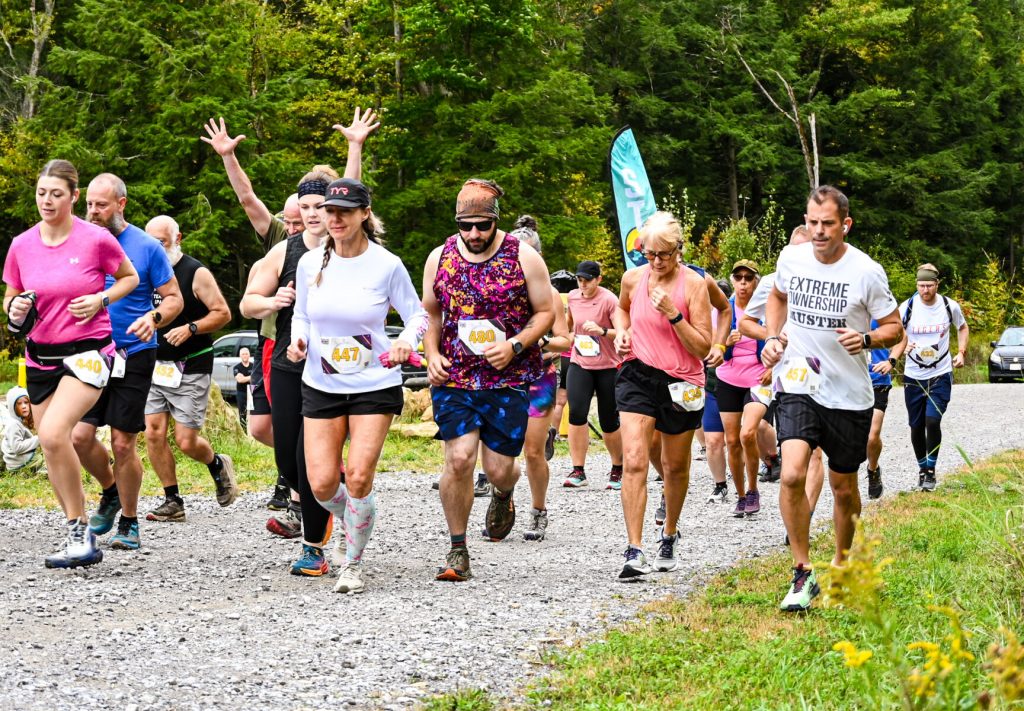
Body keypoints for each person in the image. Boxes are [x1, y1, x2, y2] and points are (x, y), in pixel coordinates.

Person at [207, 109, 377, 540]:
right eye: (304, 207)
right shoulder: (283, 246)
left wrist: (355, 147)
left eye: (320, 207)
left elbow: (351, 195)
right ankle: (325, 494)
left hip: (335, 358)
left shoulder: (349, 242)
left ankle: (316, 530)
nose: (314, 214)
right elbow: (247, 299)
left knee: (312, 451)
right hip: (285, 352)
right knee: (286, 451)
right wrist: (272, 301)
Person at [761, 185, 903, 612]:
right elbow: (777, 296)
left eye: (827, 223)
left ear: (846, 224)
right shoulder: (792, 258)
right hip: (799, 380)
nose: (818, 231)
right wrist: (772, 336)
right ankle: (803, 572)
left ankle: (841, 564)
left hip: (848, 392)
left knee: (843, 486)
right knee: (791, 475)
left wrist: (867, 337)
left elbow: (894, 326)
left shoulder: (866, 271)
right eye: (812, 222)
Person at [288, 177, 427, 592]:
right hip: (321, 383)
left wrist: (405, 341)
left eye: (344, 212)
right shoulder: (311, 262)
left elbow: (418, 314)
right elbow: (303, 316)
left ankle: (352, 562)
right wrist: (300, 340)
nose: (334, 219)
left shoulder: (386, 264)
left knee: (361, 476)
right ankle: (357, 515)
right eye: (330, 212)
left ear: (364, 215)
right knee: (322, 484)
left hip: (374, 384)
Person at [3, 159, 139, 568]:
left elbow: (129, 278)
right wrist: (14, 312)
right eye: (42, 192)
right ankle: (76, 527)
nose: (47, 200)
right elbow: (10, 298)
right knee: (52, 444)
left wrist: (102, 299)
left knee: (54, 434)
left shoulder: (95, 239)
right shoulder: (21, 244)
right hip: (40, 358)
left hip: (88, 354)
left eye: (56, 194)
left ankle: (81, 534)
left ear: (74, 197)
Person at [423, 179, 554, 582]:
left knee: (499, 469)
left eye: (482, 225)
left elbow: (546, 311)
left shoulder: (524, 256)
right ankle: (458, 549)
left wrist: (515, 345)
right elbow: (432, 314)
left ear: (496, 221)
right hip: (456, 377)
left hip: (506, 378)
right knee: (459, 458)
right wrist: (431, 354)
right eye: (466, 225)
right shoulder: (439, 257)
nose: (474, 234)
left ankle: (503, 493)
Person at [71, 173, 186, 552]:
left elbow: (173, 299)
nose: (93, 212)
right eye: (89, 203)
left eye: (101, 204)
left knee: (123, 443)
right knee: (80, 436)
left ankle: (130, 521)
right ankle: (109, 491)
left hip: (134, 353)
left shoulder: (146, 246)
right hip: (90, 353)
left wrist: (153, 319)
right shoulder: (78, 242)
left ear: (121, 204)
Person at [612, 211, 712, 580]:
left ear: (678, 250)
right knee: (635, 459)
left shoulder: (694, 285)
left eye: (663, 255)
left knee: (674, 466)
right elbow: (622, 310)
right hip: (637, 373)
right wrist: (622, 332)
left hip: (682, 380)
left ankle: (669, 532)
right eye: (648, 254)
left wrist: (674, 315)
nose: (655, 262)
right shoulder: (633, 278)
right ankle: (634, 550)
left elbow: (702, 347)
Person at [142, 215, 234, 522]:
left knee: (185, 440)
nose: (156, 248)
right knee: (153, 433)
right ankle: (172, 500)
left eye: (162, 242)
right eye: (150, 242)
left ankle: (216, 464)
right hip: (154, 364)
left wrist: (191, 328)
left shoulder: (195, 272)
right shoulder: (145, 272)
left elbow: (222, 313)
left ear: (177, 238)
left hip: (191, 364)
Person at [507, 216, 571, 541]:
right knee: (502, 450)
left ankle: (538, 511)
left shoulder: (551, 296)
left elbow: (565, 341)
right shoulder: (499, 293)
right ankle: (502, 504)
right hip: (506, 377)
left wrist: (539, 342)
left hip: (540, 376)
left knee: (531, 451)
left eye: (528, 254)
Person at [895, 263, 968, 491]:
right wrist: (902, 346)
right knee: (916, 426)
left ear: (937, 284)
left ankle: (931, 471)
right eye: (921, 285)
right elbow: (895, 331)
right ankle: (921, 468)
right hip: (913, 374)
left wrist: (961, 352)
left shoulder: (949, 306)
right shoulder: (906, 307)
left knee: (932, 420)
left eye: (929, 285)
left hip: (940, 372)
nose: (925, 290)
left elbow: (963, 327)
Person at [715, 259, 775, 518]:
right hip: (727, 378)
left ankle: (753, 489)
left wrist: (773, 368)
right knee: (731, 440)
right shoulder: (722, 310)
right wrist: (724, 342)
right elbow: (708, 344)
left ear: (756, 282)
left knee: (747, 434)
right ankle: (740, 495)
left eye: (748, 278)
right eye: (738, 277)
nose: (742, 282)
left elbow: (781, 340)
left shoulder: (766, 309)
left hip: (757, 379)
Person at [563, 260, 624, 489]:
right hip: (580, 363)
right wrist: (560, 341)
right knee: (576, 413)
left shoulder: (609, 299)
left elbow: (622, 332)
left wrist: (602, 331)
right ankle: (578, 470)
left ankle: (617, 467)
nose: (583, 284)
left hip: (608, 366)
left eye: (587, 280)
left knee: (608, 420)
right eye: (579, 280)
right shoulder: (572, 297)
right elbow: (569, 327)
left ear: (598, 279)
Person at [865, 318, 897, 499]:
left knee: (872, 435)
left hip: (878, 383)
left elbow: (902, 336)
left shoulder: (882, 315)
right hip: (852, 384)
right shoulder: (845, 311)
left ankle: (873, 469)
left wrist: (891, 361)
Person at [3, 387, 45, 475]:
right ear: (12, 407)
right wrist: (38, 439)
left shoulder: (19, 421)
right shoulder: (13, 424)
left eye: (26, 402)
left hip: (18, 460)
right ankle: (38, 471)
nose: (24, 406)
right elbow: (17, 448)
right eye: (19, 404)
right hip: (17, 463)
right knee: (42, 457)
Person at [234, 347, 253, 428]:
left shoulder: (254, 365)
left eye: (246, 354)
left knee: (253, 414)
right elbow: (240, 380)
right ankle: (244, 433)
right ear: (240, 356)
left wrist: (245, 378)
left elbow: (257, 378)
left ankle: (254, 434)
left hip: (252, 391)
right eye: (243, 354)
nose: (245, 356)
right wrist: (250, 377)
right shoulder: (237, 367)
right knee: (242, 414)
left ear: (249, 355)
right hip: (241, 392)